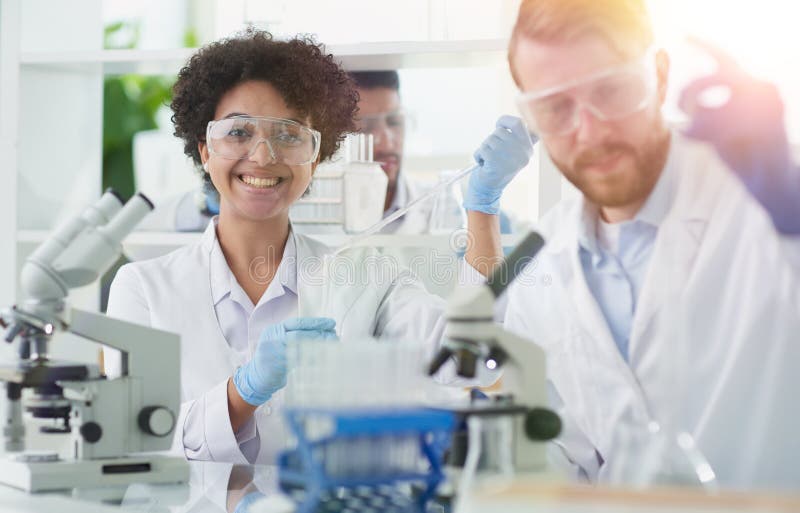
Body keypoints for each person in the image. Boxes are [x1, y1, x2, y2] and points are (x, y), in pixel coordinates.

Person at [463, 0, 800, 490]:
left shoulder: (764, 205)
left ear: (659, 76)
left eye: (613, 90)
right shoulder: (545, 263)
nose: (591, 130)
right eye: (557, 107)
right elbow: (560, 452)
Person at [103, 30, 452, 465]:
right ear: (204, 150)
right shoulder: (142, 288)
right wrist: (244, 391)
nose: (264, 156)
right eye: (238, 132)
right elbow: (130, 442)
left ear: (317, 156)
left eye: (289, 135)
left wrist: (483, 214)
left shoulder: (368, 278)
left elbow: (460, 351)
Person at [350, 70, 515, 234]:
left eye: (394, 122)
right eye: (365, 128)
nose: (387, 144)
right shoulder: (328, 216)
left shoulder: (444, 206)